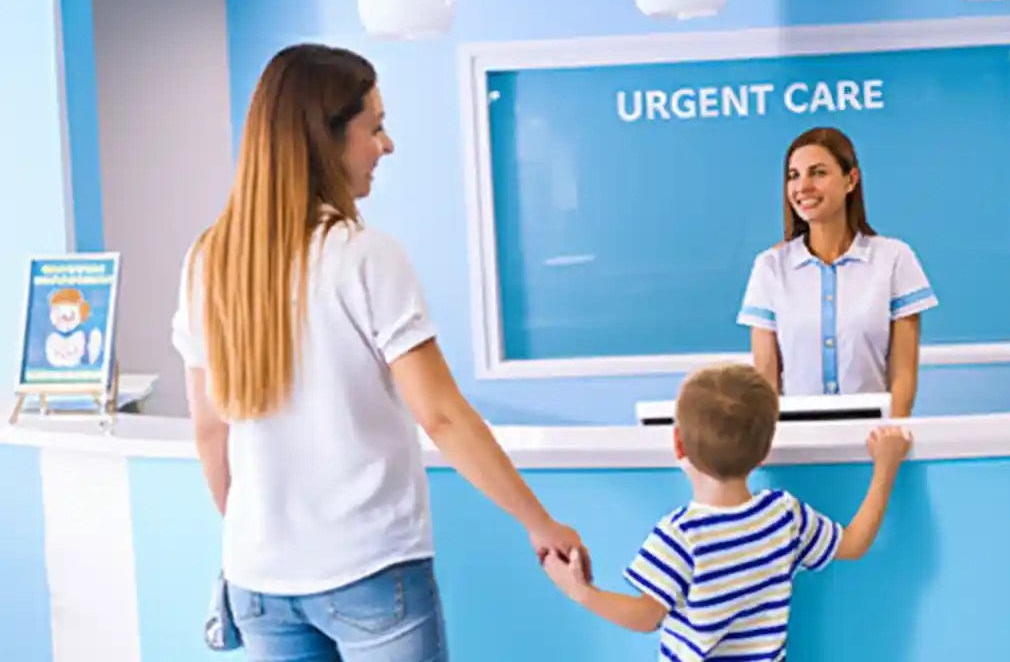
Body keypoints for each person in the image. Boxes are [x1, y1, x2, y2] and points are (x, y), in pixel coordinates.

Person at [172, 43, 585, 661]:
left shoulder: (209, 260)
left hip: (258, 580)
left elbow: (210, 430)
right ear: (326, 138)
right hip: (368, 571)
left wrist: (260, 537)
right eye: (376, 127)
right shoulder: (364, 255)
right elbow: (441, 415)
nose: (386, 146)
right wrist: (539, 523)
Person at [543, 363, 912, 661]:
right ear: (765, 451)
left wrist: (582, 592)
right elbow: (855, 542)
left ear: (677, 444)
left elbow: (647, 616)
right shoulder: (783, 517)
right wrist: (885, 467)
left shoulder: (681, 535)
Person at [737, 126, 938, 417]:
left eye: (818, 173)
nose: (803, 186)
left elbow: (903, 374)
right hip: (796, 439)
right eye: (794, 175)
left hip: (875, 435)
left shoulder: (894, 258)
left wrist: (894, 431)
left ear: (850, 180)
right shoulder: (770, 267)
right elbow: (767, 379)